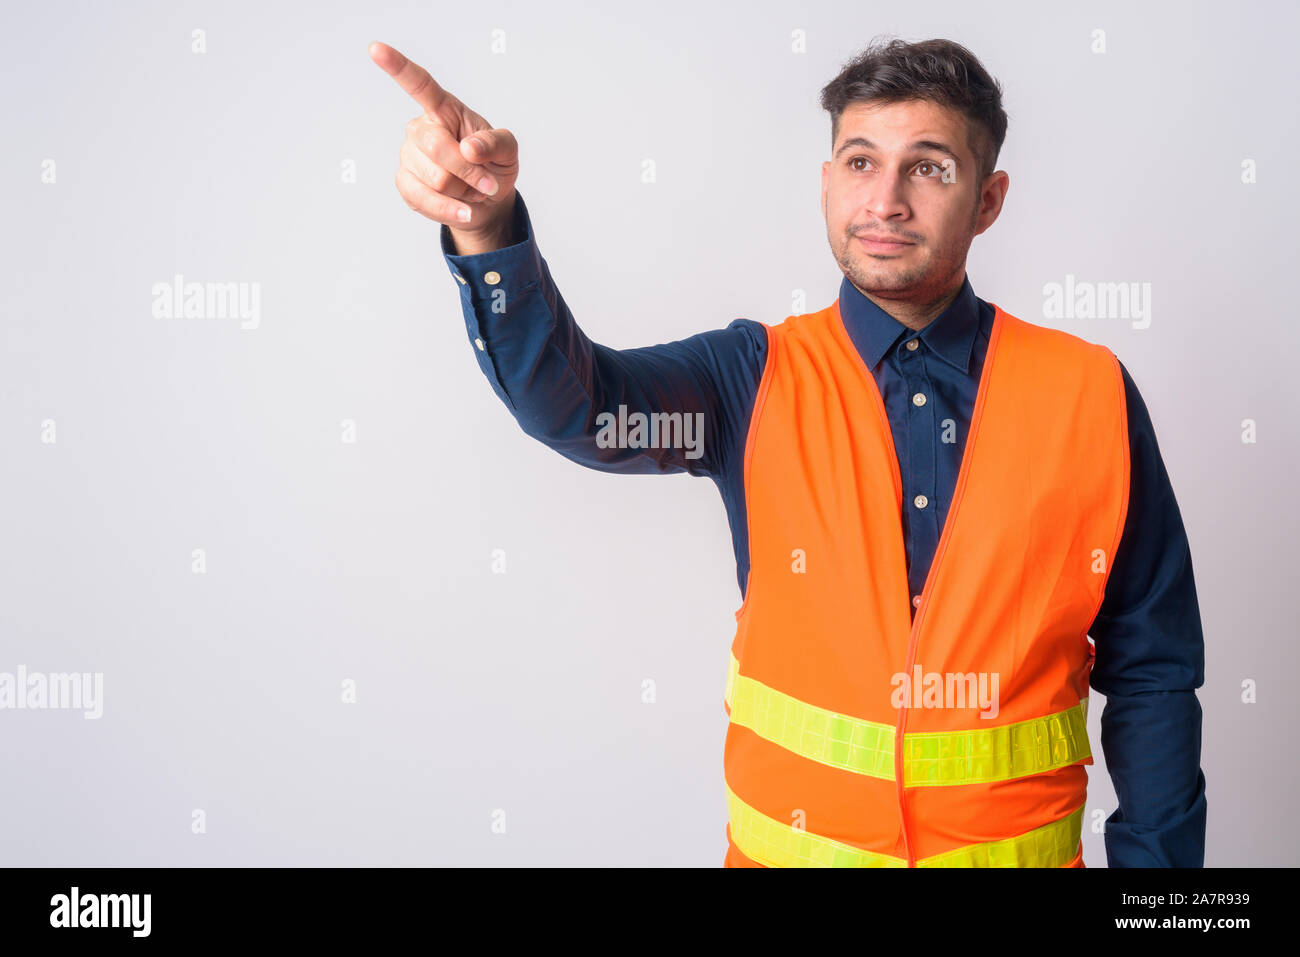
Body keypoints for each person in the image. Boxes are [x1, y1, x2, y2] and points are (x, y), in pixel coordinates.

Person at [369, 35, 1207, 868]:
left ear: (987, 200)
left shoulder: (1090, 393)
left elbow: (1154, 674)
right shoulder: (748, 380)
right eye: (860, 162)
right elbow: (583, 411)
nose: (886, 201)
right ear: (826, 182)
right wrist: (487, 228)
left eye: (928, 167)